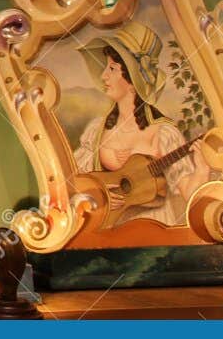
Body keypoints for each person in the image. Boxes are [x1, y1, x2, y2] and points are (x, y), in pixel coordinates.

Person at [73, 21, 210, 226]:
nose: (104, 76)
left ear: (132, 80)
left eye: (112, 68)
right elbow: (70, 182)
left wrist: (201, 169)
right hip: (107, 227)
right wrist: (100, 192)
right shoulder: (97, 131)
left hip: (154, 228)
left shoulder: (163, 134)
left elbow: (190, 194)